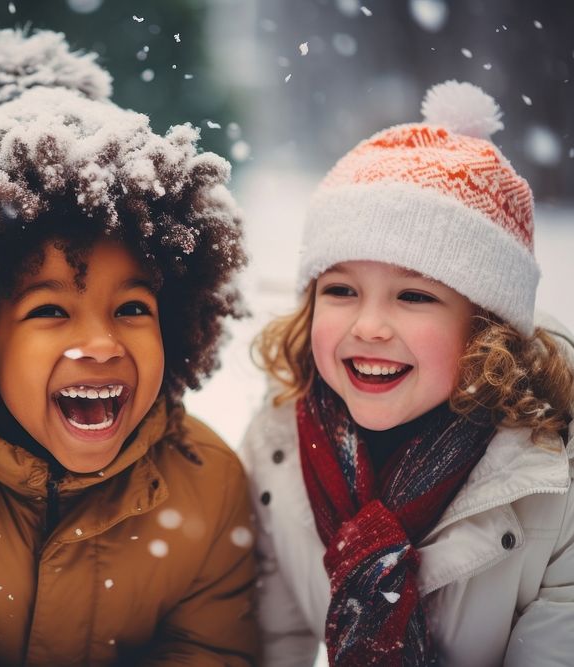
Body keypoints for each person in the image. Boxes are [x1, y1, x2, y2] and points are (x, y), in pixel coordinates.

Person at [0, 28, 259, 666]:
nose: (98, 342)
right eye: (50, 309)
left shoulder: (206, 484)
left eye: (131, 308)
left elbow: (214, 652)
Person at [239, 80, 574, 666]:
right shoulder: (281, 445)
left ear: (485, 329)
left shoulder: (552, 474)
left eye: (414, 296)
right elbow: (267, 643)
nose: (369, 326)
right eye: (340, 289)